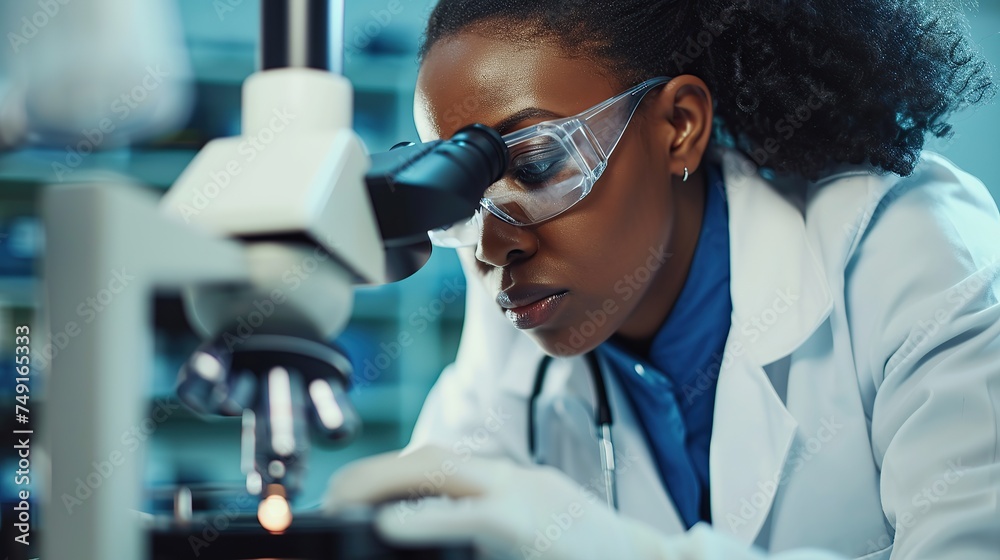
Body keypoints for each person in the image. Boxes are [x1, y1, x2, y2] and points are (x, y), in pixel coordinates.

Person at [325, 1, 1000, 558]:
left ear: (680, 126)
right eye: (465, 199)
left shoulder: (915, 252)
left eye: (533, 167)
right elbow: (440, 492)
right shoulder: (517, 307)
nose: (496, 246)